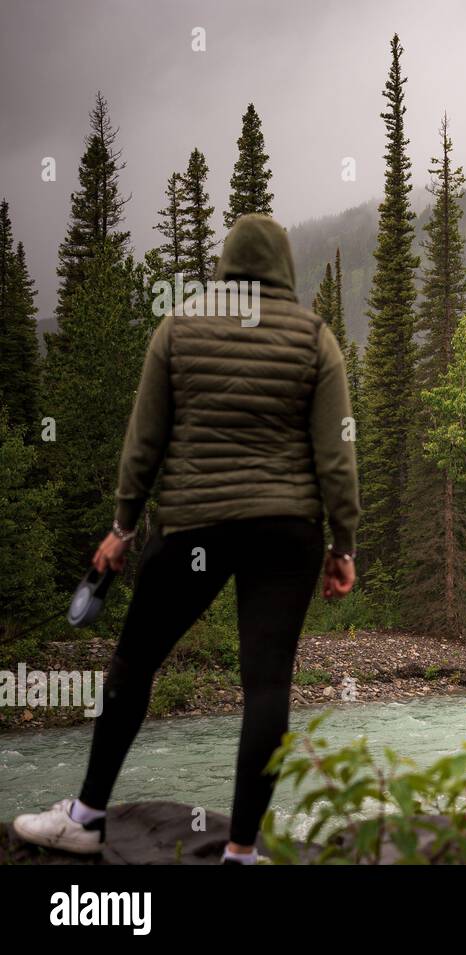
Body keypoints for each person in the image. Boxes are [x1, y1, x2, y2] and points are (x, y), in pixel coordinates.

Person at [12, 215, 360, 864]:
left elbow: (143, 443)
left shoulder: (179, 326)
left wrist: (121, 527)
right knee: (266, 685)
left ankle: (86, 815)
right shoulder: (314, 338)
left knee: (135, 661)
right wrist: (344, 543)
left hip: (194, 524)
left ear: (227, 264)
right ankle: (242, 851)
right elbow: (337, 454)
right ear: (284, 266)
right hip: (286, 533)